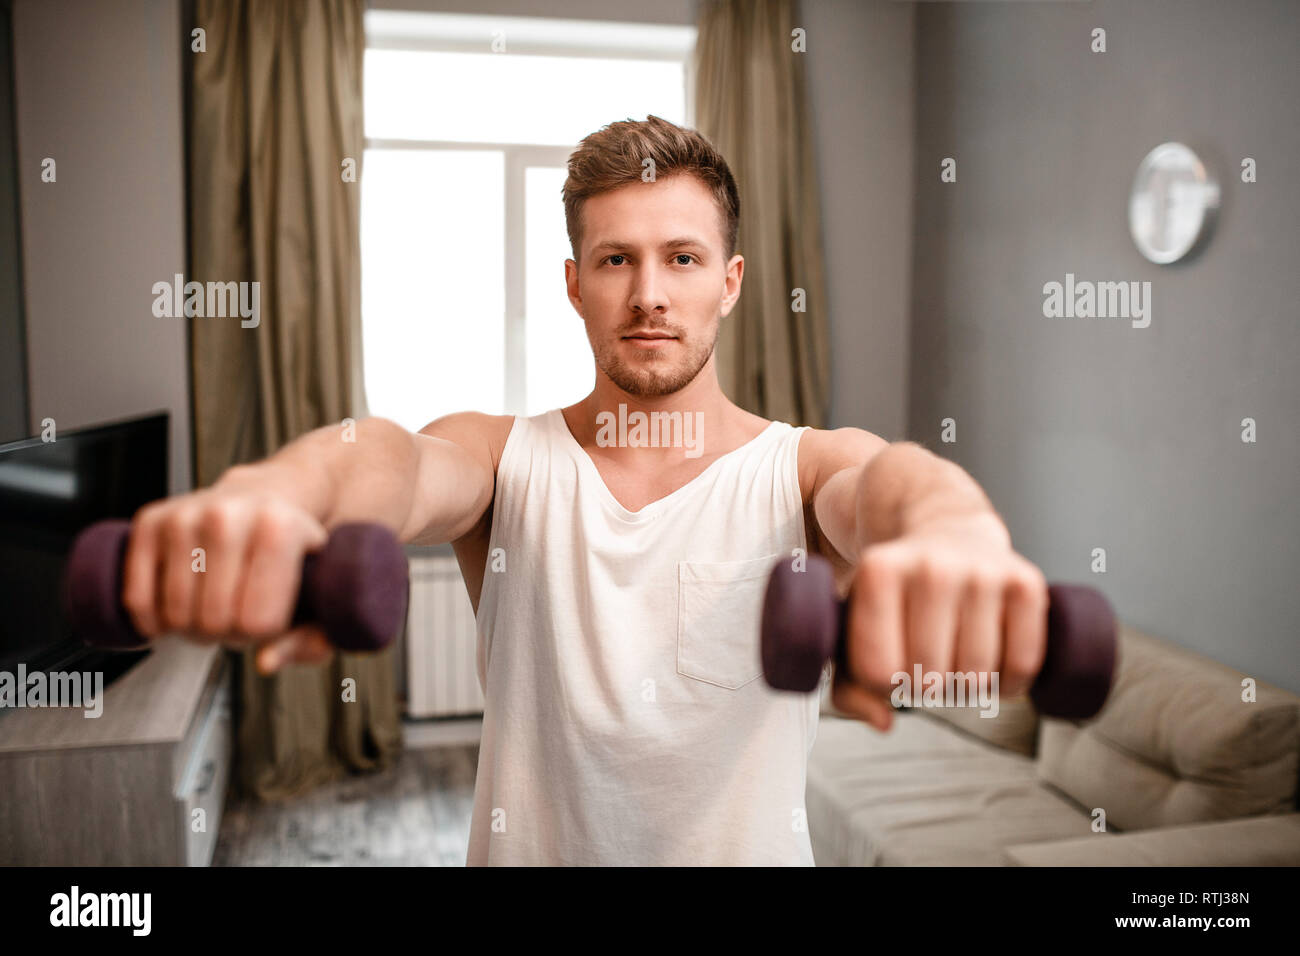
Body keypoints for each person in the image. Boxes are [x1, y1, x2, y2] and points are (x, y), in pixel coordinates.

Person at [121, 115, 1048, 865]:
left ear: (728, 283)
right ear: (574, 285)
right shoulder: (501, 460)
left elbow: (887, 481)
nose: (649, 293)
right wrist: (284, 487)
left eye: (682, 258)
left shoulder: (797, 472)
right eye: (616, 260)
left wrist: (953, 526)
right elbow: (394, 461)